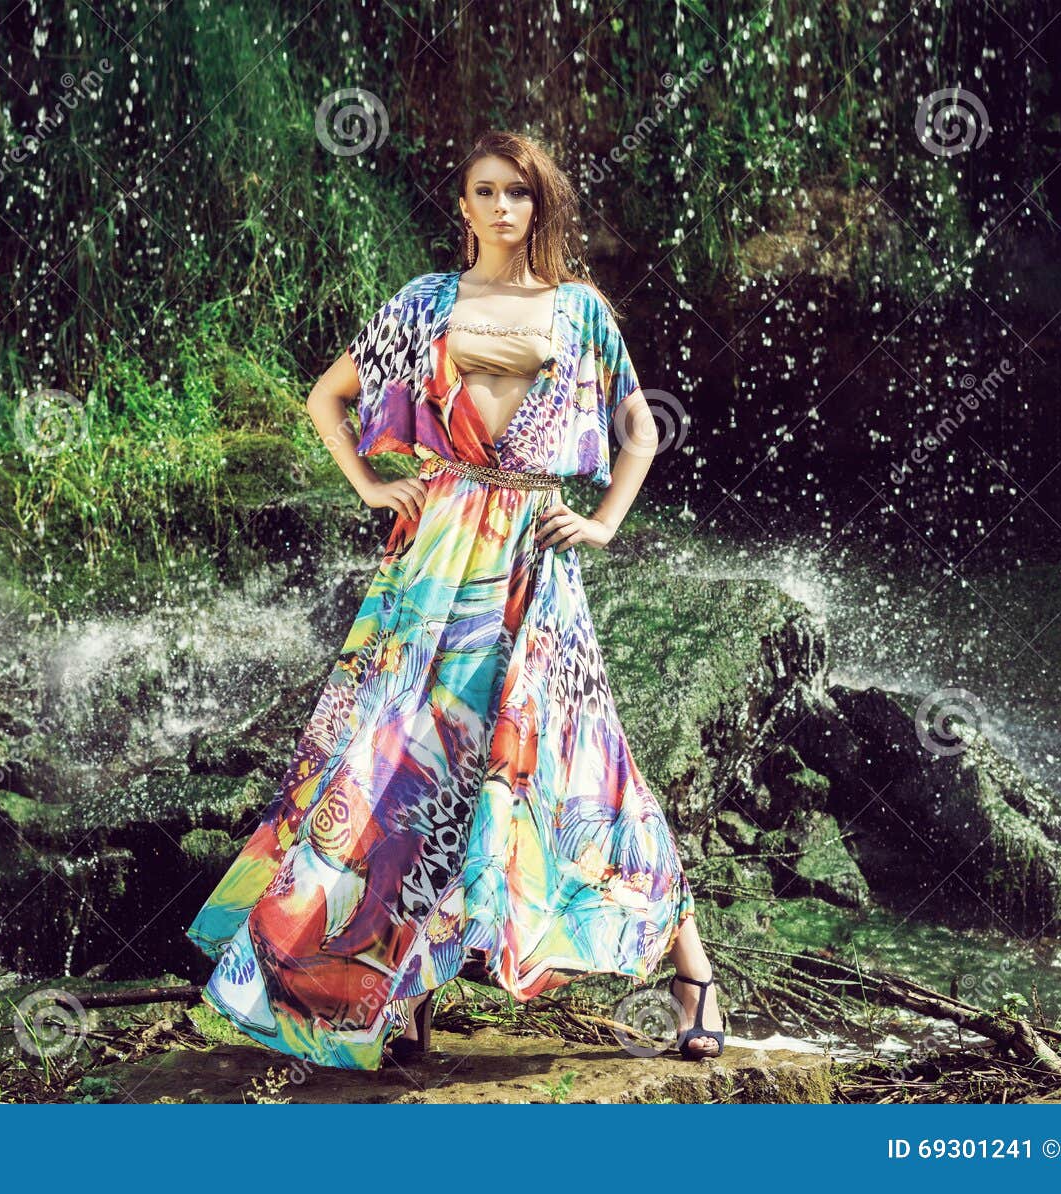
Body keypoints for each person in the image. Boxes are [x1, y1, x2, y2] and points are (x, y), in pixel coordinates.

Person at [184, 130, 724, 1071]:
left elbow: (639, 427)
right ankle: (399, 995)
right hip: (432, 559)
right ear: (464, 206)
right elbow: (327, 397)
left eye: (519, 193)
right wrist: (368, 485)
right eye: (486, 191)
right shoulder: (424, 302)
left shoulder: (580, 310)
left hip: (533, 560)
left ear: (537, 204)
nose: (504, 207)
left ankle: (694, 978)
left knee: (582, 761)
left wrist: (600, 524)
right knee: (407, 762)